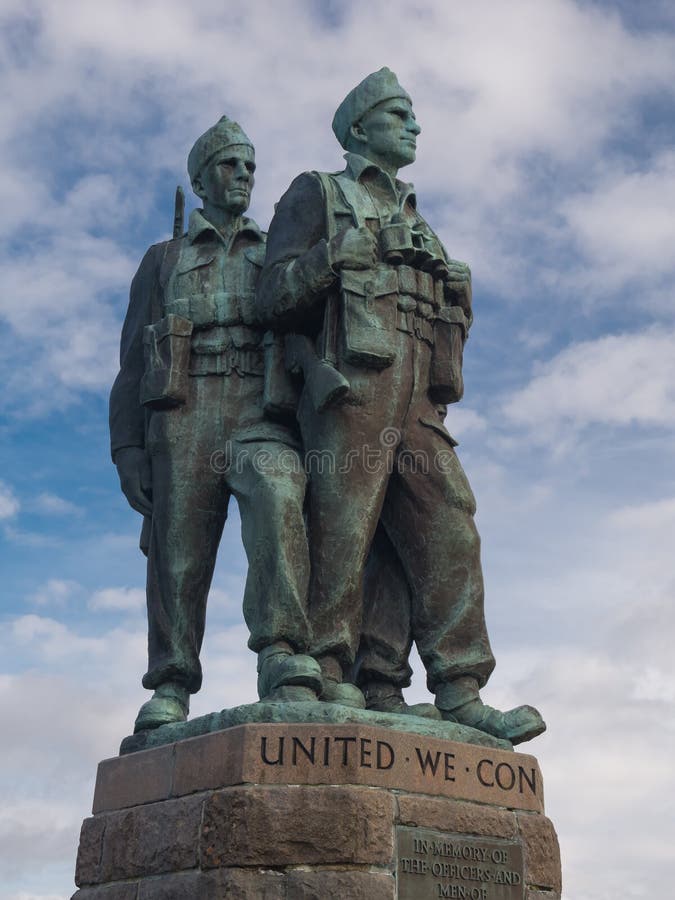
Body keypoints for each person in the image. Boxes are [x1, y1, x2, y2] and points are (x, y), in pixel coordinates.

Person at [257, 69, 545, 743]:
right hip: (352, 381)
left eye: (411, 116)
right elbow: (269, 299)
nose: (414, 126)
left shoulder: (420, 217)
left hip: (418, 392)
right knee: (344, 526)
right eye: (398, 115)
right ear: (359, 129)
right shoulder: (319, 194)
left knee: (447, 523)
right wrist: (336, 253)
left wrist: (455, 292)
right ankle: (331, 668)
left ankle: (458, 686)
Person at [110, 116, 320, 733]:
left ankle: (282, 654)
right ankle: (172, 681)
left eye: (251, 166)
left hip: (259, 408)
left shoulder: (275, 248)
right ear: (201, 179)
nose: (244, 176)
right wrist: (127, 449)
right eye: (231, 165)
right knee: (178, 550)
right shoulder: (163, 259)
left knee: (280, 498)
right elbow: (129, 365)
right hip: (184, 411)